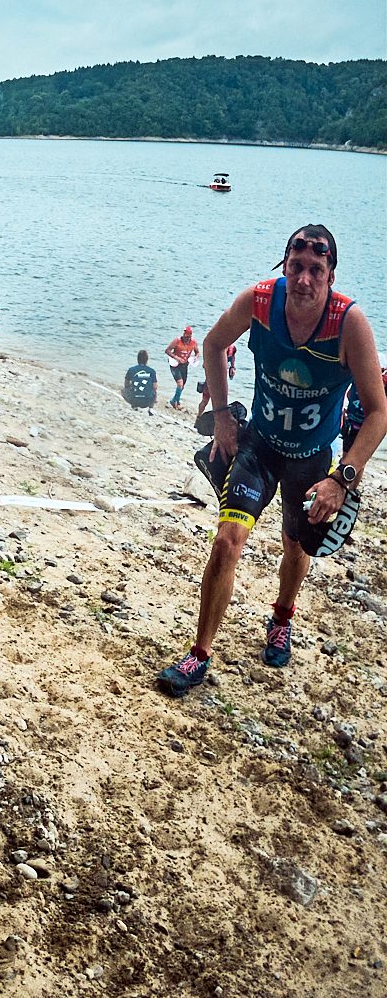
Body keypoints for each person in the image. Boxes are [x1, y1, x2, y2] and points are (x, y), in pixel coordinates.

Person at [157, 226, 384, 697]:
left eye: (315, 271)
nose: (302, 280)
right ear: (284, 266)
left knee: (295, 548)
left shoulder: (349, 323)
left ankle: (282, 616)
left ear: (330, 275)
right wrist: (221, 415)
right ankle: (199, 655)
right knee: (225, 542)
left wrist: (342, 479)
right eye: (295, 267)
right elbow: (215, 345)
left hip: (312, 461)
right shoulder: (259, 302)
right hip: (259, 447)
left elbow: (378, 410)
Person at [166, 325, 200, 407]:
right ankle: (175, 403)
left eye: (188, 337)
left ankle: (175, 400)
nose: (187, 339)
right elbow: (167, 350)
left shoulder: (193, 342)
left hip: (184, 365)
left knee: (183, 385)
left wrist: (196, 358)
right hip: (175, 364)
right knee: (180, 383)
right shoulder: (177, 341)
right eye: (185, 336)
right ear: (183, 334)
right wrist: (176, 357)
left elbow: (197, 352)